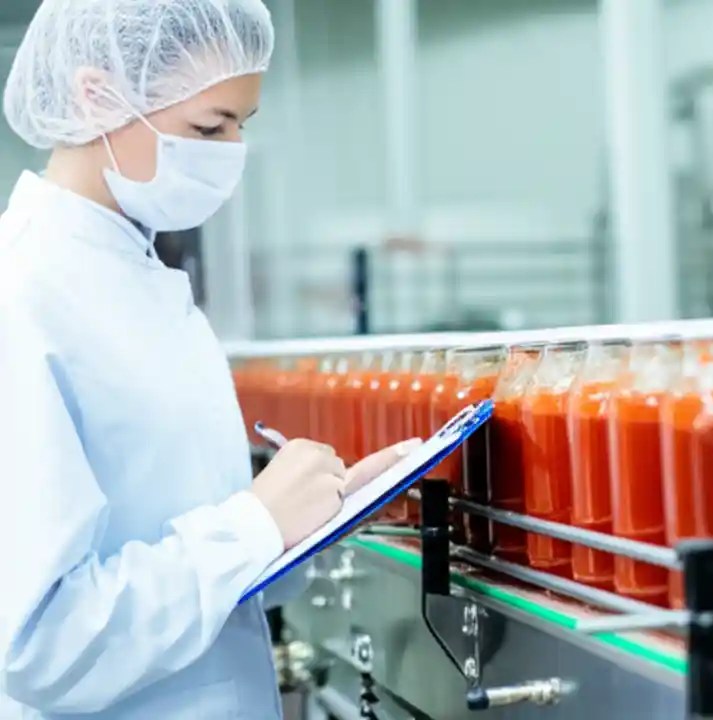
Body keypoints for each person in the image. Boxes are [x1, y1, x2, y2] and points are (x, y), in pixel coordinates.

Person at [0, 2, 421, 717]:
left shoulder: (143, 282)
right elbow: (39, 644)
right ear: (95, 95)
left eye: (241, 124)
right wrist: (255, 524)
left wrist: (308, 518)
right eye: (208, 126)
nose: (230, 151)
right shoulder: (25, 294)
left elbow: (190, 543)